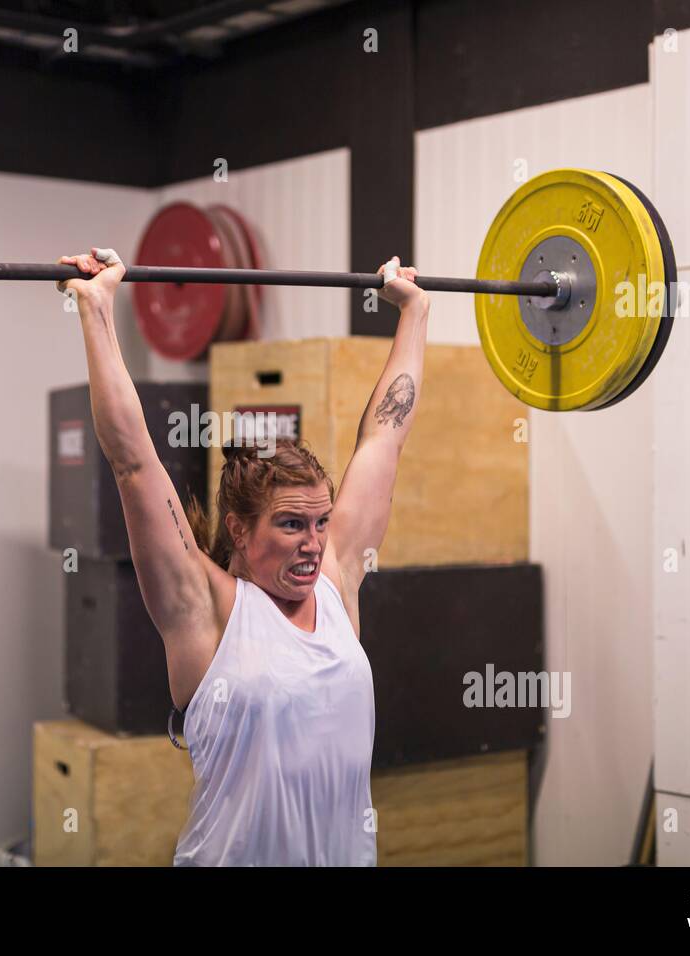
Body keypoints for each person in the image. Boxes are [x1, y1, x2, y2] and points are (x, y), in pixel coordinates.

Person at [58, 246, 428, 866]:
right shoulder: (205, 610)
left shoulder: (335, 586)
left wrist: (414, 313)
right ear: (239, 528)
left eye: (320, 522)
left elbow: (385, 438)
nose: (313, 544)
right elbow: (131, 459)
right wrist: (96, 310)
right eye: (290, 525)